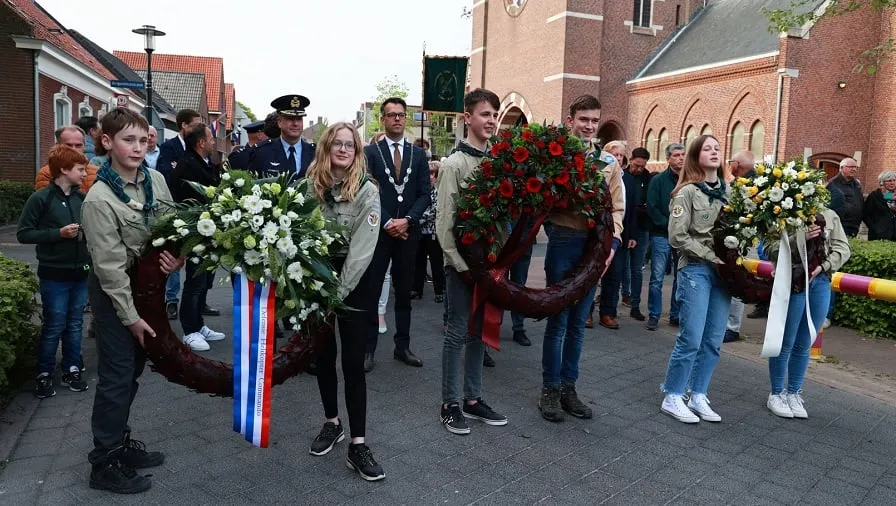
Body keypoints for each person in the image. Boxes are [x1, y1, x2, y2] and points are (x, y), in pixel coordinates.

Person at [81, 107, 183, 494]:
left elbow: (175, 228)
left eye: (143, 140)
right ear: (107, 142)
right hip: (115, 295)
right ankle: (104, 463)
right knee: (117, 374)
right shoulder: (99, 200)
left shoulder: (155, 179)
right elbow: (109, 271)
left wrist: (178, 257)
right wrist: (130, 318)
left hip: (146, 289)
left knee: (133, 369)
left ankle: (120, 443)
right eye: (129, 140)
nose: (138, 148)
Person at [538, 95, 625, 422]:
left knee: (578, 323)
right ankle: (550, 388)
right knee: (558, 320)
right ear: (570, 120)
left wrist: (611, 246)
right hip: (564, 241)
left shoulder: (608, 163)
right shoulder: (555, 157)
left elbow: (618, 208)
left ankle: (568, 388)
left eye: (594, 121)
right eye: (583, 119)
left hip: (595, 245)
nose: (589, 126)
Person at [305, 122, 384, 481]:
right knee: (323, 357)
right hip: (316, 280)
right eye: (337, 143)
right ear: (326, 147)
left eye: (349, 145)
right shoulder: (309, 187)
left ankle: (358, 444)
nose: (343, 149)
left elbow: (361, 252)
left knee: (353, 364)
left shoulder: (368, 191)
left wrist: (334, 295)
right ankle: (331, 422)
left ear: (357, 151)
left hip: (354, 284)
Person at [437, 88, 508, 435]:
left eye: (494, 114)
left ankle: (473, 398)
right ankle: (450, 403)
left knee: (480, 330)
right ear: (468, 118)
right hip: (462, 267)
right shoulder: (454, 164)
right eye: (485, 114)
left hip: (490, 265)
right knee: (457, 331)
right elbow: (444, 221)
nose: (491, 120)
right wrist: (460, 265)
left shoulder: (498, 162)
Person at [659, 135, 730, 424]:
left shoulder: (730, 193)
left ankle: (698, 393)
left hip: (724, 274)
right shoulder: (686, 192)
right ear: (695, 156)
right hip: (696, 269)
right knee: (691, 337)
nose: (713, 152)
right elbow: (677, 237)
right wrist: (711, 256)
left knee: (713, 339)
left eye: (717, 148)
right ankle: (673, 394)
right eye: (707, 148)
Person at [17, 145, 91, 398]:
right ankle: (44, 373)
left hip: (80, 273)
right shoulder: (40, 199)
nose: (85, 174)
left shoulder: (82, 198)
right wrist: (58, 234)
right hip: (54, 274)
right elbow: (24, 233)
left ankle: (72, 369)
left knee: (75, 323)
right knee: (54, 324)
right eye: (80, 169)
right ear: (64, 170)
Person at [363, 97, 431, 370]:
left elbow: (425, 193)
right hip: (379, 233)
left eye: (401, 114)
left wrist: (408, 220)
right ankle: (368, 349)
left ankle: (402, 346)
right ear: (383, 119)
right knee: (372, 291)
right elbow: (366, 192)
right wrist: (388, 222)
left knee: (404, 292)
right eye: (391, 115)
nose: (397, 119)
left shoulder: (418, 154)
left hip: (408, 233)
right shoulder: (371, 153)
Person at [765, 207, 850, 419]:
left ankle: (794, 392)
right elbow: (769, 249)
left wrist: (824, 266)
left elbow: (843, 248)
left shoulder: (829, 214)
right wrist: (799, 239)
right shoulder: (781, 209)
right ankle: (776, 393)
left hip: (820, 281)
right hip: (792, 279)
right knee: (785, 340)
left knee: (805, 341)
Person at [171, 124, 226, 351]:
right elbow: (194, 200)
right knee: (194, 283)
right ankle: (189, 330)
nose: (214, 142)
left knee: (203, 282)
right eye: (210, 138)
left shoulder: (203, 163)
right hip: (195, 233)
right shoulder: (188, 166)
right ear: (201, 142)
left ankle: (199, 324)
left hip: (208, 232)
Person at [156, 109, 202, 320]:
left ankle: (197, 304)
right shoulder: (169, 147)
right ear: (184, 125)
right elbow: (167, 174)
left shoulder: (198, 147)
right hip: (175, 209)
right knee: (173, 255)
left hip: (195, 212)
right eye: (196, 124)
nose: (199, 128)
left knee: (196, 259)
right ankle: (171, 300)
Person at [597, 140, 638, 330]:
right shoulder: (600, 172)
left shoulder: (628, 179)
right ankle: (586, 312)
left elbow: (630, 209)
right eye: (615, 154)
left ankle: (608, 312)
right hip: (600, 232)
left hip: (619, 233)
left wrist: (631, 235)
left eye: (621, 155)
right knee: (594, 272)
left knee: (615, 276)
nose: (619, 158)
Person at [645, 143, 685, 331]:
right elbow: (652, 206)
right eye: (676, 155)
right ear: (668, 159)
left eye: (683, 154)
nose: (681, 158)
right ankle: (654, 314)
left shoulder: (689, 181)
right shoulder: (658, 180)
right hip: (661, 234)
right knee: (657, 277)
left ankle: (675, 315)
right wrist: (669, 225)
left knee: (680, 277)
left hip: (682, 237)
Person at [723, 151, 756, 343]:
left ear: (737, 164)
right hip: (737, 240)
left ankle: (732, 327)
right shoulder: (750, 183)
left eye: (731, 162)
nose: (729, 165)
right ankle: (728, 325)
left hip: (742, 242)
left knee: (736, 281)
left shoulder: (748, 186)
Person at [248, 94, 316, 179]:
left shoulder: (316, 153)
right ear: (279, 122)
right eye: (290, 118)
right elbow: (252, 184)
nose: (295, 124)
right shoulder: (261, 152)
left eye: (299, 119)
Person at [620, 147, 653, 321]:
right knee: (621, 266)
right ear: (631, 160)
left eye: (642, 166)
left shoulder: (649, 179)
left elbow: (650, 203)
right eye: (636, 165)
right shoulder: (623, 175)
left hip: (641, 228)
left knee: (637, 269)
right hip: (624, 227)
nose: (638, 169)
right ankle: (622, 294)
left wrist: (640, 208)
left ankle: (635, 304)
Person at [411, 160, 445, 303]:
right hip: (420, 232)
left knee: (437, 262)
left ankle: (439, 290)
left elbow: (435, 210)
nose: (430, 177)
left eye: (433, 174)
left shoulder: (438, 191)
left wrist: (416, 219)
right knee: (418, 261)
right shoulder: (421, 190)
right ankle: (416, 289)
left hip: (432, 232)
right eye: (428, 173)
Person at [35, 126, 98, 192]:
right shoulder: (46, 173)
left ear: (84, 147)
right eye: (68, 145)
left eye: (78, 145)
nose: (74, 150)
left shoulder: (96, 172)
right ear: (57, 146)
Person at [826, 158, 864, 237]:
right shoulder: (833, 184)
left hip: (854, 226)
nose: (854, 169)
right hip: (841, 226)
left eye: (855, 167)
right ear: (841, 168)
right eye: (851, 167)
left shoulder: (857, 184)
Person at [863, 170, 896, 241]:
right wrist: (874, 229)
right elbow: (865, 214)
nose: (892, 183)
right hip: (878, 236)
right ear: (882, 182)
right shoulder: (875, 196)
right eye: (889, 181)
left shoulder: (894, 196)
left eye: (894, 180)